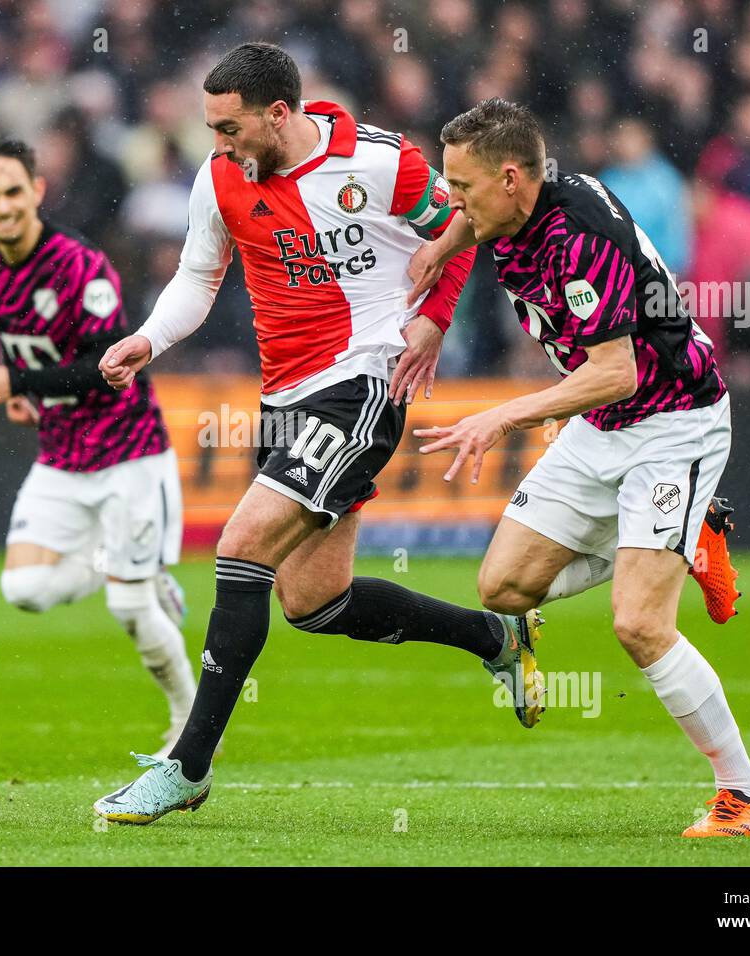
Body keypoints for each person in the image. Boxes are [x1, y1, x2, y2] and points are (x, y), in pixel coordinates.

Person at [92, 43, 541, 826]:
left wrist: (433, 322)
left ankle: (186, 767)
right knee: (313, 601)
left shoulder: (380, 163)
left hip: (365, 381)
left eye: (229, 128)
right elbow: (199, 277)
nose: (218, 144)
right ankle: (493, 637)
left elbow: (464, 225)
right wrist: (148, 340)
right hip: (284, 400)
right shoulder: (219, 178)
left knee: (241, 546)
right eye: (210, 129)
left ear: (279, 113)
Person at [408, 99, 750, 837]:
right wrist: (441, 250)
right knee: (503, 589)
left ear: (511, 178)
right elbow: (471, 219)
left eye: (462, 186)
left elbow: (616, 373)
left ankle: (745, 794)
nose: (453, 200)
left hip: (673, 421)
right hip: (601, 425)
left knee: (639, 624)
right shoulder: (512, 206)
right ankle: (687, 537)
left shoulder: (579, 240)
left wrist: (502, 416)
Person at [0, 136, 195, 758]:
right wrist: (28, 395)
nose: (3, 205)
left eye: (13, 191)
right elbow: (30, 343)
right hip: (61, 453)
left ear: (37, 191)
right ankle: (135, 565)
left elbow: (105, 365)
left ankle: (188, 724)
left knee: (129, 606)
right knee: (25, 590)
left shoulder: (79, 266)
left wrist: (20, 382)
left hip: (128, 451)